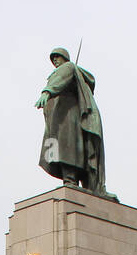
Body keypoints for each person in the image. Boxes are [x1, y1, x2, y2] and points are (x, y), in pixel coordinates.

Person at [35, 47, 115, 199]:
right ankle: (71, 180)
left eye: (57, 57)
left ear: (65, 57)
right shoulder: (60, 72)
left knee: (68, 149)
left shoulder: (68, 67)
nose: (55, 60)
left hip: (68, 119)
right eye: (53, 58)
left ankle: (71, 180)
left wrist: (46, 92)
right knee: (65, 149)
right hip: (60, 120)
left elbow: (60, 80)